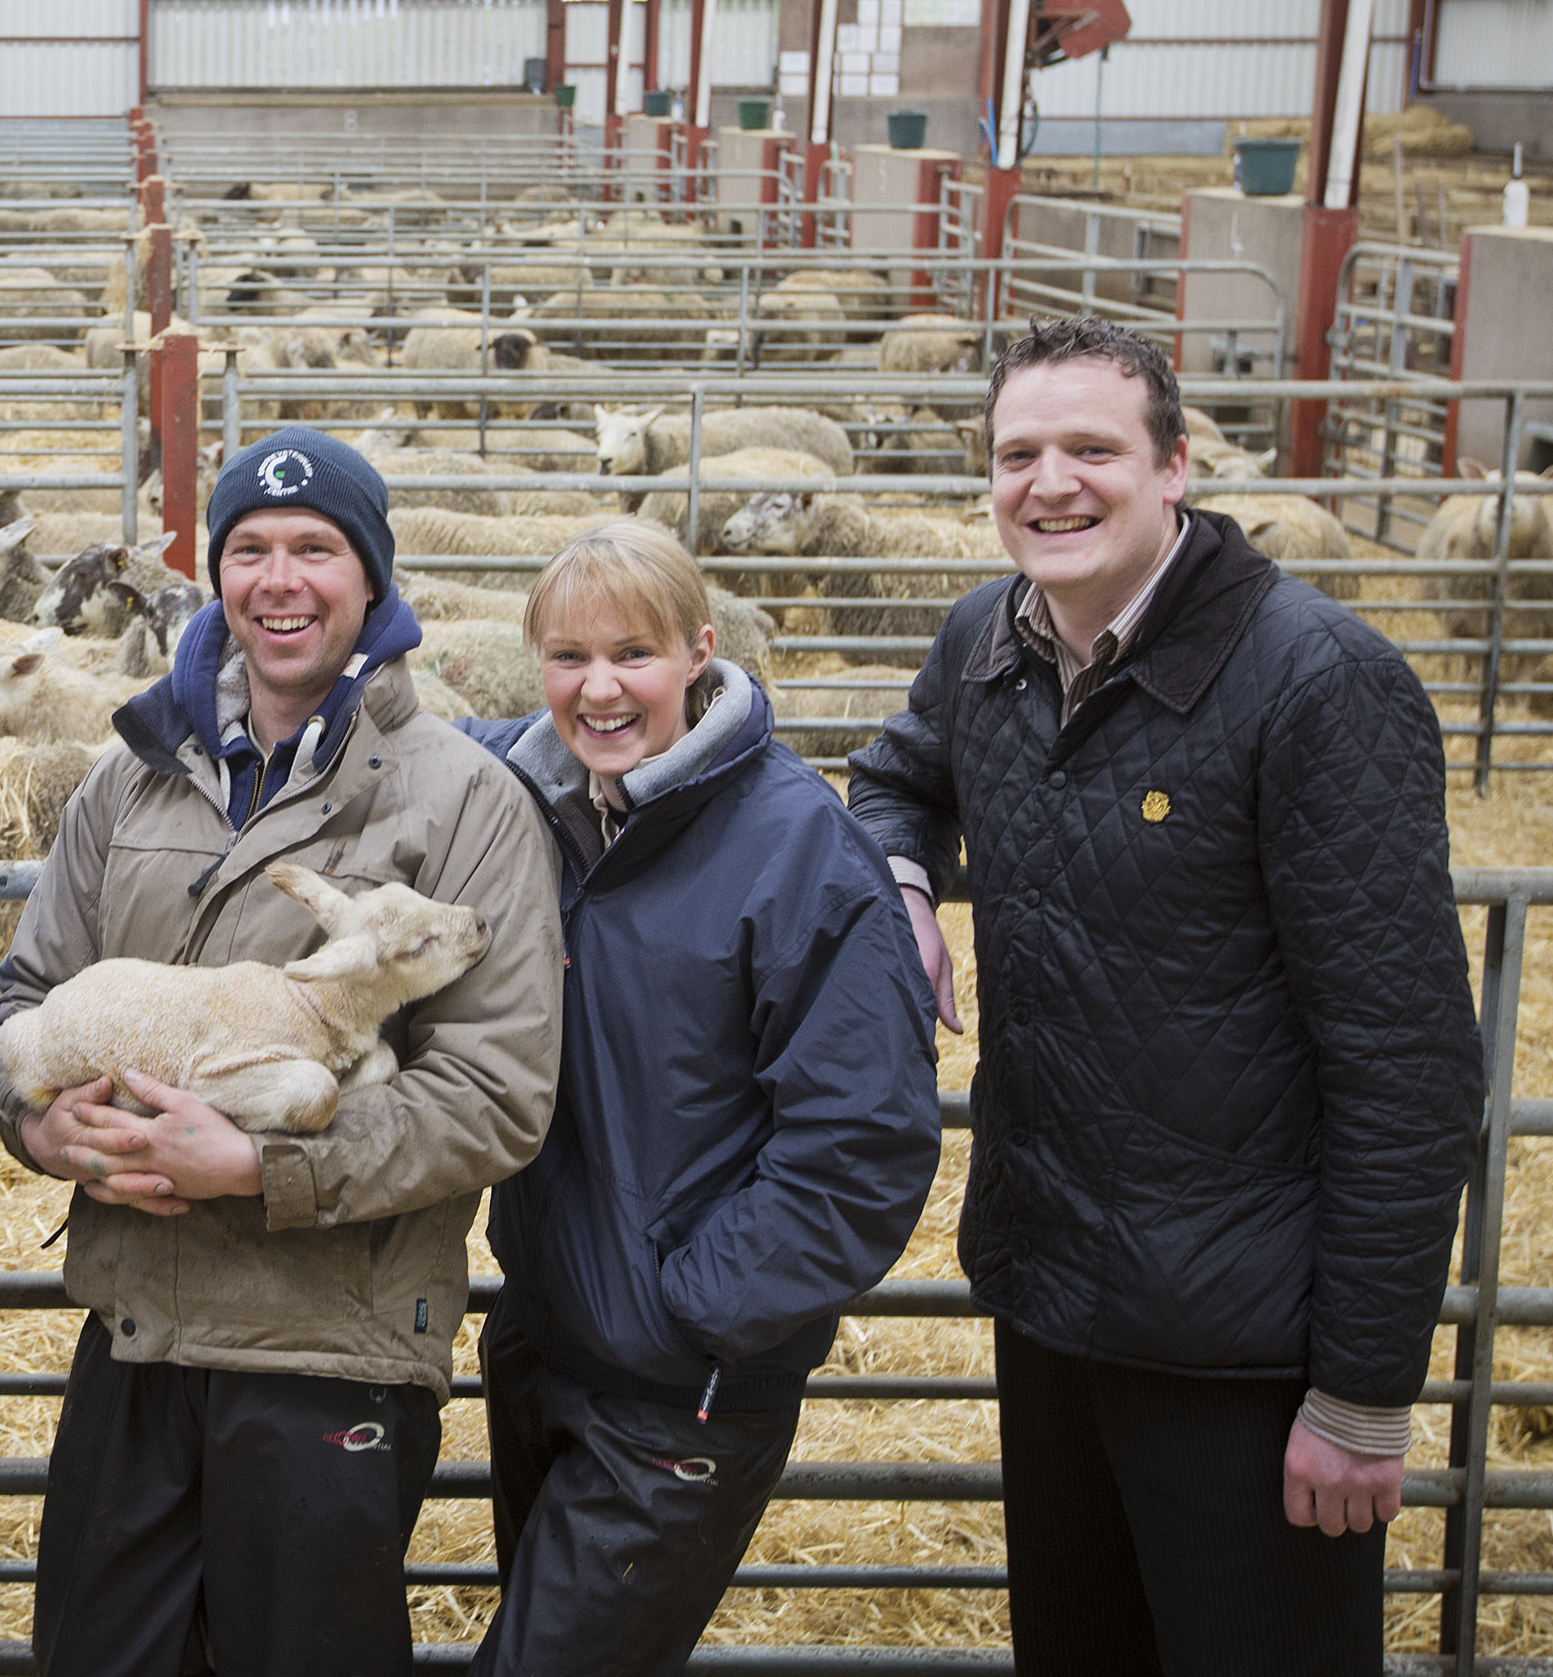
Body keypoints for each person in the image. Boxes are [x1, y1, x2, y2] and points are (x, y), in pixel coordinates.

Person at [846, 317, 1482, 1676]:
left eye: (1092, 449)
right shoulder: (987, 639)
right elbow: (895, 775)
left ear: (1175, 466)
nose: (1050, 483)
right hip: (1053, 1298)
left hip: (1244, 1352)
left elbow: (1410, 1067)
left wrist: (1362, 1394)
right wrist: (900, 883)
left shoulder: (1317, 684)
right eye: (1018, 453)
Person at [0, 425, 563, 1677]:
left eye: (316, 547)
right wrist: (35, 1122)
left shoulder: (463, 798)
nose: (279, 578)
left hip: (330, 1346)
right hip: (134, 1328)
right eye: (249, 548)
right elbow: (23, 992)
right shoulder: (125, 783)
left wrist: (259, 1166)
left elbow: (496, 1094)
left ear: (371, 578)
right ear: (216, 574)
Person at [450, 519, 940, 1675]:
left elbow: (862, 1143)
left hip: (681, 1383)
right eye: (567, 656)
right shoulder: (531, 808)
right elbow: (374, 738)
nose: (600, 686)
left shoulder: (795, 847)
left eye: (634, 652)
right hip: (544, 1338)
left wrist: (689, 1311)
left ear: (699, 654)